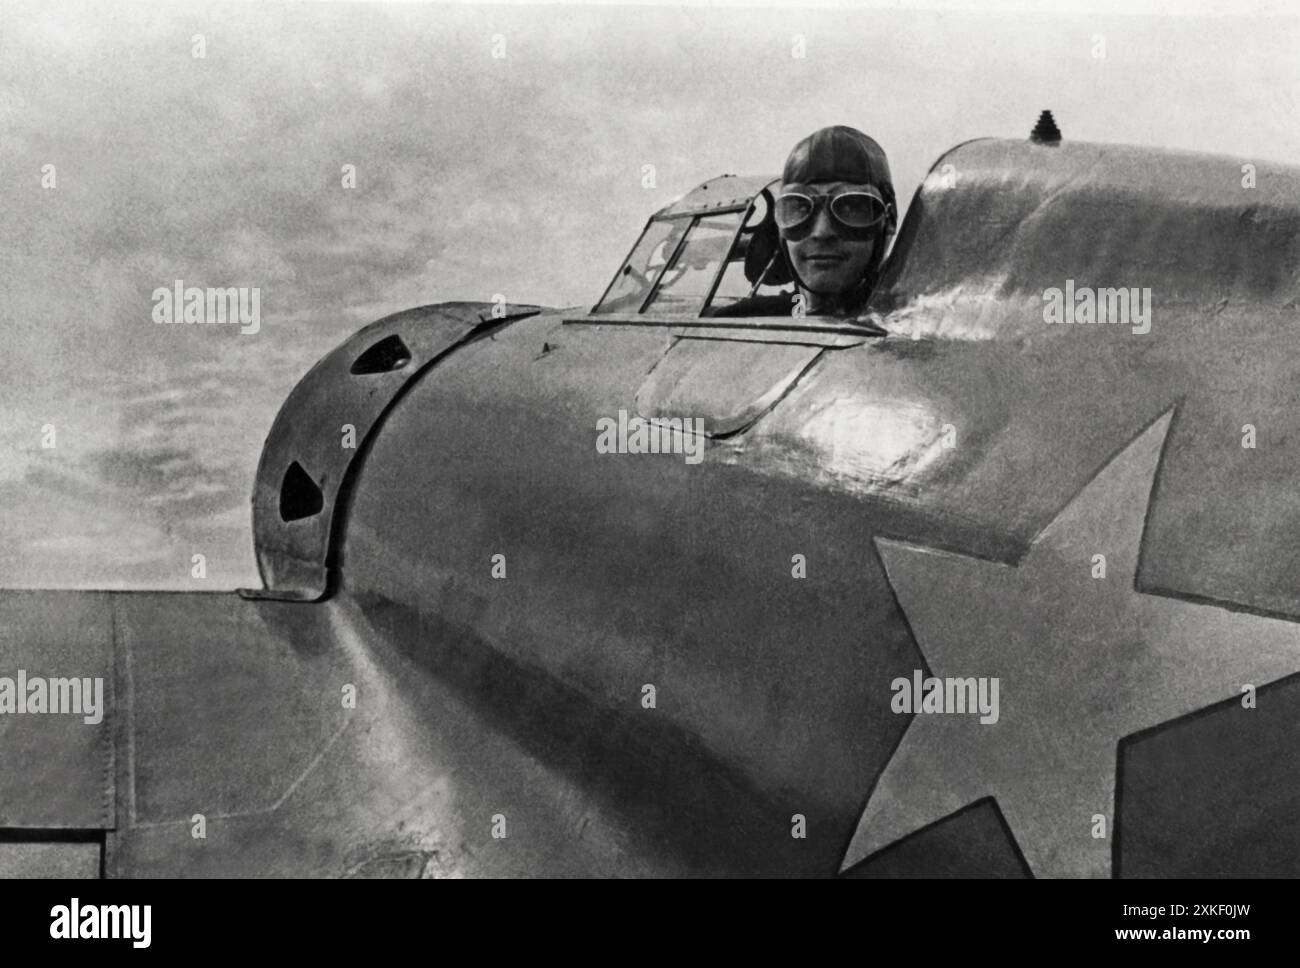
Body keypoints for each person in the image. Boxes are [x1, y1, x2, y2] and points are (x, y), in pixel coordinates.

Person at [711, 125, 897, 318]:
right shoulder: (741, 321)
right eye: (800, 208)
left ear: (888, 220)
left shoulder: (911, 323)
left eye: (850, 207)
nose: (821, 232)